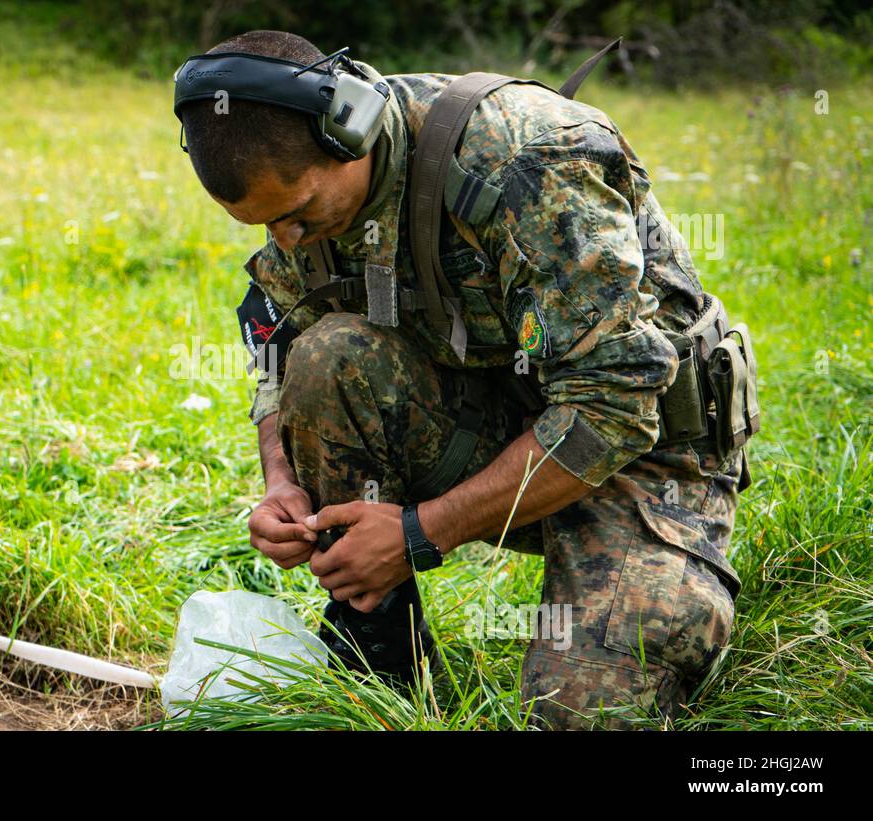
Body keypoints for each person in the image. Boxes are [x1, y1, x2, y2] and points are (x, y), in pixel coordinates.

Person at [174, 30, 757, 728]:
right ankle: (379, 668)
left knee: (577, 713)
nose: (289, 241)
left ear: (348, 129)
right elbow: (277, 324)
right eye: (268, 226)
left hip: (646, 461)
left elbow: (616, 407)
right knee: (327, 357)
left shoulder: (525, 159)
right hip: (512, 424)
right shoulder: (312, 197)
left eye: (297, 216)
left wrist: (420, 532)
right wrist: (281, 479)